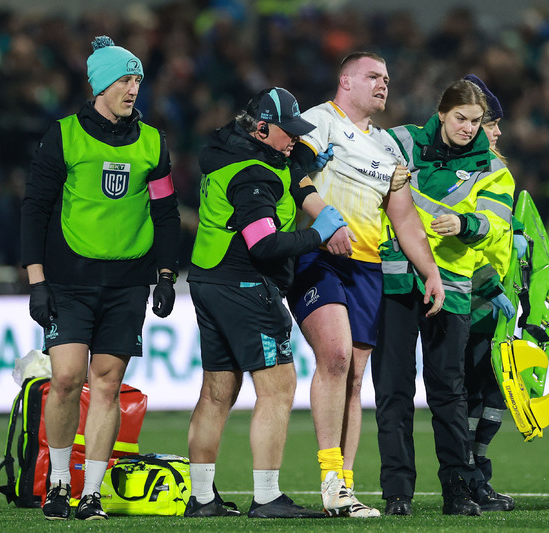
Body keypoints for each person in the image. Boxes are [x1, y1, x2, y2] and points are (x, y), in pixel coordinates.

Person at [20, 36, 180, 521]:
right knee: (67, 379)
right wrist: (36, 281)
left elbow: (166, 213)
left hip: (128, 282)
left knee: (107, 385)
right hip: (68, 279)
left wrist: (166, 275)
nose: (134, 89)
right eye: (125, 80)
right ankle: (58, 483)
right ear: (102, 85)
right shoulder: (63, 135)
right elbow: (35, 208)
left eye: (137, 80)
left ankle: (90, 493)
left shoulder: (153, 142)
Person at [287, 51, 445, 517]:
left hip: (367, 267)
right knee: (335, 357)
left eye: (387, 79)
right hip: (319, 255)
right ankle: (330, 478)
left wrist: (431, 271)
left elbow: (406, 221)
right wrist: (327, 221)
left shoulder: (388, 150)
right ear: (346, 81)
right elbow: (294, 174)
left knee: (355, 378)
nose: (383, 84)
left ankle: (345, 487)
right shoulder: (319, 121)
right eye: (373, 76)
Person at [185, 87, 348, 519]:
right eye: (287, 131)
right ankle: (267, 497)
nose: (295, 139)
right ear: (261, 129)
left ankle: (202, 499)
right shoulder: (254, 176)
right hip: (245, 285)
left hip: (208, 279)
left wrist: (301, 164)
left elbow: (283, 167)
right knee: (278, 388)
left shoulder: (228, 153)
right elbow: (263, 244)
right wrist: (317, 235)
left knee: (216, 392)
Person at [371, 77, 515, 516]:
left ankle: (457, 490)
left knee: (448, 394)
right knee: (393, 391)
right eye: (460, 118)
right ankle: (398, 494)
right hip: (396, 281)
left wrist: (466, 225)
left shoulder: (493, 169)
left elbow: (497, 225)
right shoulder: (402, 142)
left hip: (451, 289)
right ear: (441, 114)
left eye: (475, 121)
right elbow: (357, 157)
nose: (468, 128)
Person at [461, 73, 523, 512]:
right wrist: (486, 282)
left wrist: (517, 231)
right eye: (491, 123)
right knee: (471, 394)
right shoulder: (463, 174)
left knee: (493, 395)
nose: (498, 132)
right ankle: (468, 478)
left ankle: (479, 472)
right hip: (470, 297)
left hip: (496, 301)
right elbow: (457, 238)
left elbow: (497, 226)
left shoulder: (496, 169)